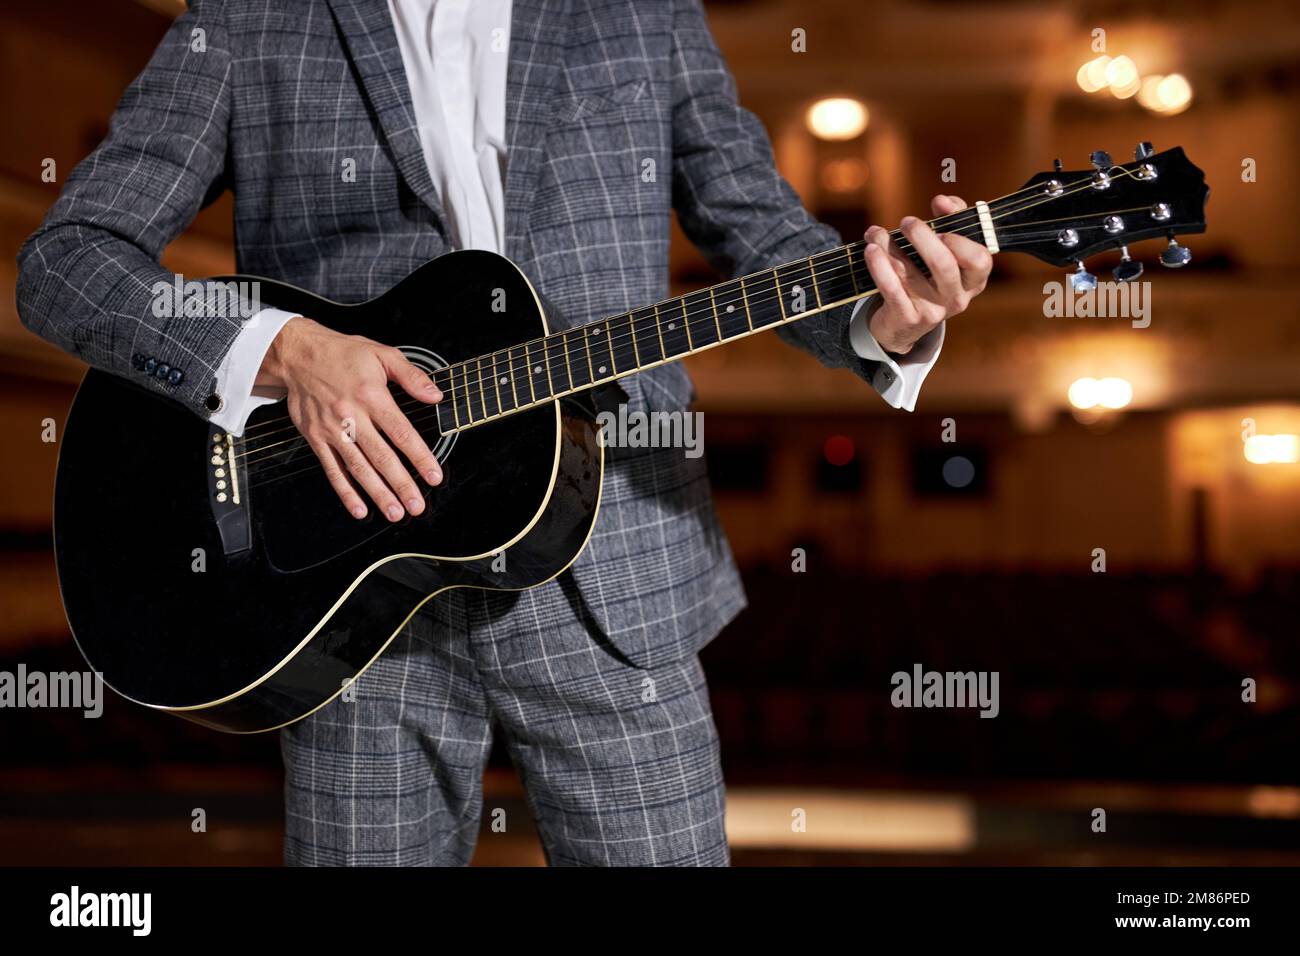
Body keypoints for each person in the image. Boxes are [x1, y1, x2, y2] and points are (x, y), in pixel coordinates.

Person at [16, 0, 991, 866]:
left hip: (612, 568)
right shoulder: (247, 15)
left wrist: (883, 315)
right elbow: (65, 264)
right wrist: (280, 352)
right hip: (338, 595)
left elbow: (761, 227)